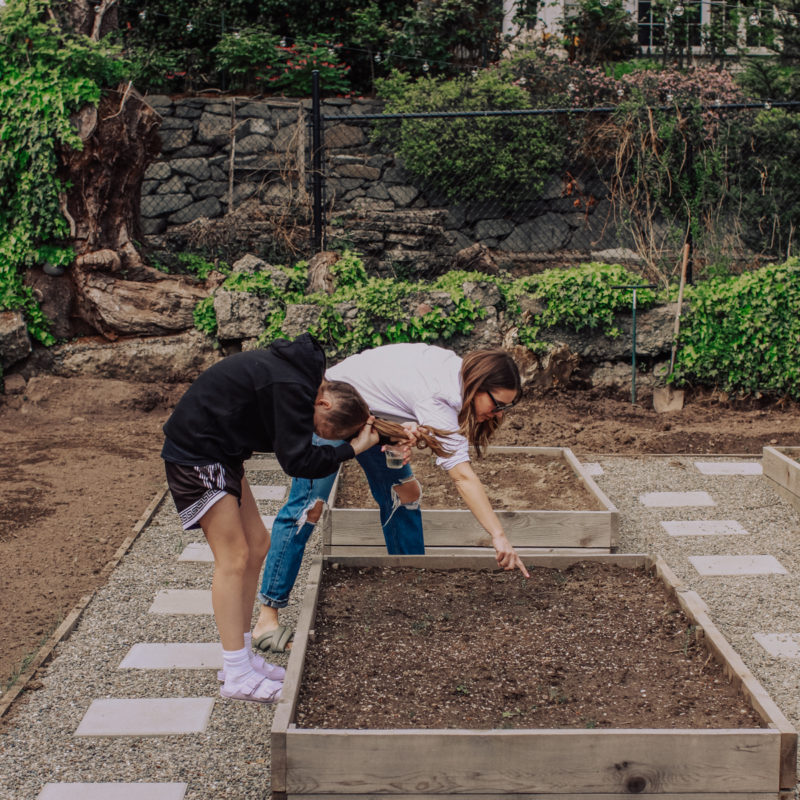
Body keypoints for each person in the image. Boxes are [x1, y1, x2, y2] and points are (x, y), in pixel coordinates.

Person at [252, 343, 529, 654]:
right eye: (497, 404)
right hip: (332, 407)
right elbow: (463, 477)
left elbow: (402, 392)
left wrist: (405, 431)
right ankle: (268, 617)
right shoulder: (440, 394)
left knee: (404, 494)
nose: (497, 413)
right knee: (307, 509)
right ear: (478, 385)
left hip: (373, 418)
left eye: (504, 408)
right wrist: (499, 535)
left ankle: (411, 585)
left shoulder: (454, 374)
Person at [161, 333, 378, 703]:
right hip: (197, 454)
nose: (316, 436)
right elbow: (299, 462)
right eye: (322, 432)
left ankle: (242, 657)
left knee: (258, 545)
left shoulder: (300, 379)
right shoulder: (293, 387)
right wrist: (351, 449)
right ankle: (236, 674)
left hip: (221, 453)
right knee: (234, 559)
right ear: (323, 403)